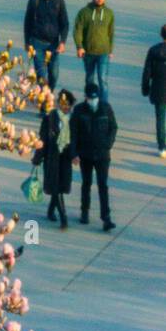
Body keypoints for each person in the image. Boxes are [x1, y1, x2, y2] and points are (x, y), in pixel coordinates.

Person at [70, 83, 117, 231]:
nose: (93, 100)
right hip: (85, 154)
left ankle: (106, 217)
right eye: (90, 98)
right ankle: (85, 211)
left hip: (102, 154)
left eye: (95, 98)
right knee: (86, 183)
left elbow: (113, 127)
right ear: (86, 97)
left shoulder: (106, 108)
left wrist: (108, 144)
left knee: (103, 185)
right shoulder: (79, 111)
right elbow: (74, 134)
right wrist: (74, 153)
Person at [33, 89, 76, 229]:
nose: (65, 107)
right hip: (52, 157)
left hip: (66, 157)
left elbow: (76, 140)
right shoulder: (49, 118)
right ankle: (64, 217)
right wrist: (38, 157)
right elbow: (43, 139)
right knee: (56, 187)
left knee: (60, 187)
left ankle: (51, 210)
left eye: (67, 104)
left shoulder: (73, 120)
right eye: (62, 103)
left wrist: (75, 155)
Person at [24, 0, 69, 89]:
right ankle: (44, 98)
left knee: (54, 74)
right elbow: (27, 23)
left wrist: (62, 42)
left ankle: (49, 93)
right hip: (37, 43)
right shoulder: (34, 1)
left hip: (53, 44)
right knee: (41, 74)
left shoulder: (59, 1)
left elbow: (65, 24)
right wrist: (27, 42)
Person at [73, 0, 114, 102]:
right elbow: (77, 30)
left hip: (103, 53)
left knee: (102, 79)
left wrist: (110, 50)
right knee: (89, 79)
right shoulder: (84, 12)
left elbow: (111, 33)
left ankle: (104, 105)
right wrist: (79, 47)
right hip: (88, 52)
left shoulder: (109, 13)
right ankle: (89, 101)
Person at [141, 24, 166, 158]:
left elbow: (147, 72)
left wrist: (145, 88)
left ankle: (162, 147)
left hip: (159, 90)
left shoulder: (154, 51)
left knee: (160, 118)